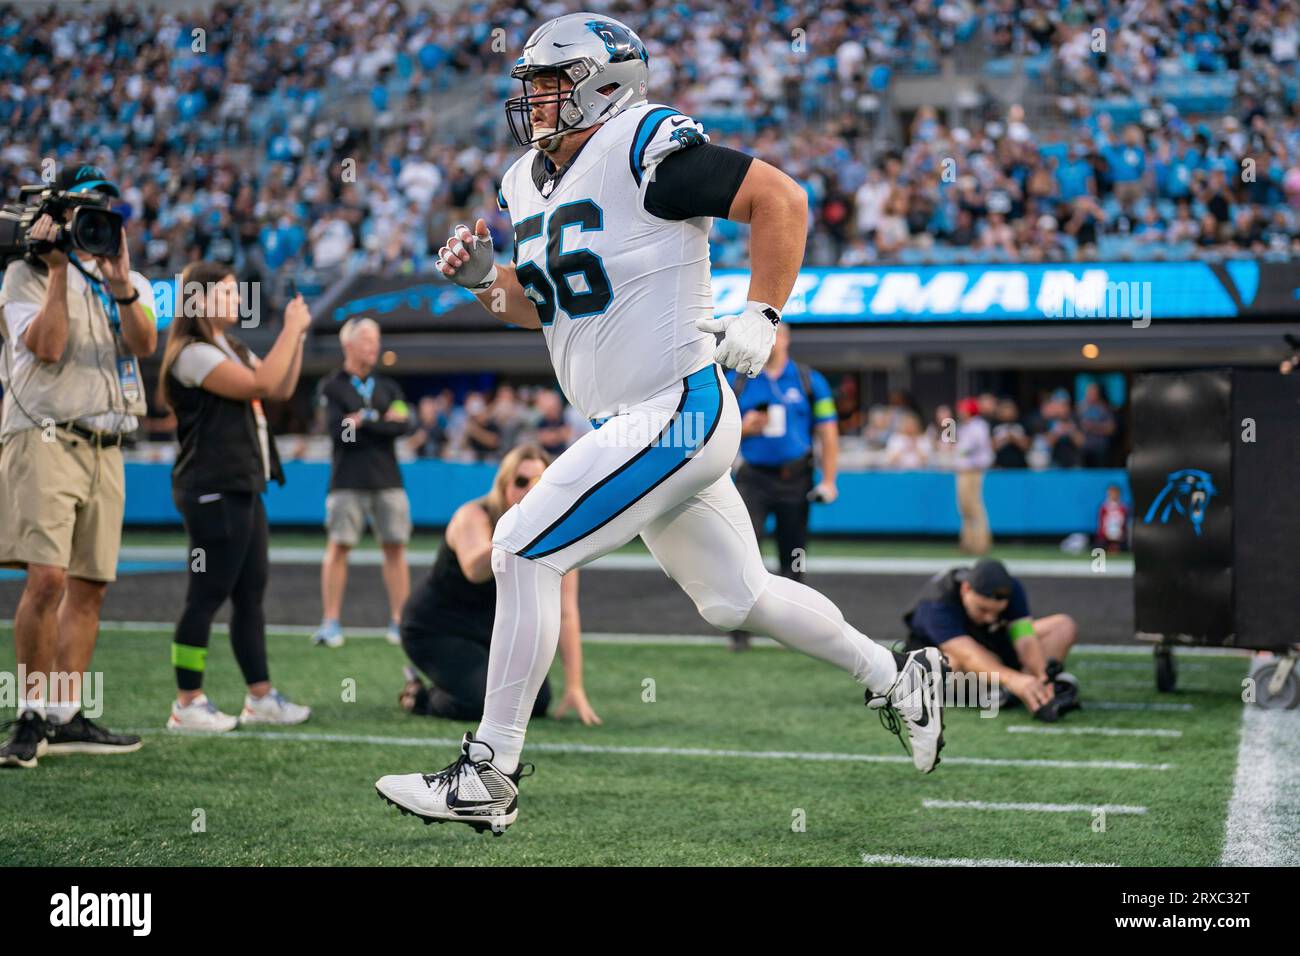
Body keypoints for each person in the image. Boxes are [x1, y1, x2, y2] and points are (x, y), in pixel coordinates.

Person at [375, 13, 948, 834]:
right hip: (637, 421)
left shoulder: (643, 145)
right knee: (735, 598)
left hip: (675, 406)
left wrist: (765, 310)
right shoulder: (521, 181)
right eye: (530, 84)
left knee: (520, 547)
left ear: (604, 85)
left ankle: (487, 773)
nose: (535, 99)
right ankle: (897, 677)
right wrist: (479, 281)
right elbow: (539, 304)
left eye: (551, 82)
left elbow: (780, 198)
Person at [0, 164, 154, 768]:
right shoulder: (24, 274)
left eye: (107, 217)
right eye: (86, 214)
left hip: (107, 444)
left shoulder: (122, 276)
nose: (98, 227)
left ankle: (65, 715)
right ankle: (29, 713)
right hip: (46, 438)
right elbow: (48, 345)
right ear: (61, 216)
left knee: (90, 585)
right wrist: (60, 268)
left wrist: (119, 281)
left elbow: (144, 344)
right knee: (47, 580)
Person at [158, 261, 312, 730]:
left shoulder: (232, 346)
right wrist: (290, 327)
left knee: (250, 595)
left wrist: (299, 337)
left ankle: (260, 696)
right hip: (212, 489)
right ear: (198, 300)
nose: (236, 300)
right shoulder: (193, 353)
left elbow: (281, 386)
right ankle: (187, 702)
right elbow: (262, 385)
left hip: (242, 486)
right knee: (205, 595)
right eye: (226, 293)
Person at [398, 444, 599, 725]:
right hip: (436, 628)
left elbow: (566, 613)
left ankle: (454, 682)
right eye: (521, 482)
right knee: (479, 703)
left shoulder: (553, 533)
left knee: (535, 703)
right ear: (503, 484)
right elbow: (475, 570)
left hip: (489, 629)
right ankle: (419, 696)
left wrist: (575, 686)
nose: (531, 490)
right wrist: (519, 533)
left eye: (540, 483)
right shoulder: (474, 515)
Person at [728, 323, 839, 650]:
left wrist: (829, 480)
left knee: (794, 556)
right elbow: (719, 431)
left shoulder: (809, 380)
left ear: (787, 340)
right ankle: (740, 629)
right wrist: (743, 429)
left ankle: (794, 629)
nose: (771, 342)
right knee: (744, 552)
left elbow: (828, 432)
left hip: (795, 479)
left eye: (777, 335)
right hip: (753, 478)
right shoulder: (739, 381)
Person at [312, 318, 414, 648]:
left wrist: (363, 419)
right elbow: (337, 432)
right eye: (368, 340)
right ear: (348, 345)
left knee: (395, 548)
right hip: (347, 480)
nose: (374, 346)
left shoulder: (389, 387)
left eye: (377, 339)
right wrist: (378, 421)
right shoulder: (331, 386)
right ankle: (330, 622)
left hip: (387, 479)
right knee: (339, 547)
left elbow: (402, 426)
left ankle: (400, 621)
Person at [903, 558, 1080, 720]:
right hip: (947, 661)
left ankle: (1026, 690)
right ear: (966, 589)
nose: (990, 618)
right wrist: (1014, 680)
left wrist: (1042, 675)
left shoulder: (1011, 588)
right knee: (954, 662)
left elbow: (1024, 636)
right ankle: (1003, 690)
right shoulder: (936, 604)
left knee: (1062, 627)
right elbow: (968, 655)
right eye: (982, 609)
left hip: (989, 644)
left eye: (996, 611)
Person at [954, 397, 993, 554]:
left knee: (975, 506)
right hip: (962, 471)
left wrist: (956, 448)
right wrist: (946, 422)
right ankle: (967, 542)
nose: (960, 412)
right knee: (964, 507)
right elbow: (948, 442)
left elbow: (967, 447)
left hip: (973, 470)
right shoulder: (963, 426)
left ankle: (982, 543)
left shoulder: (979, 426)